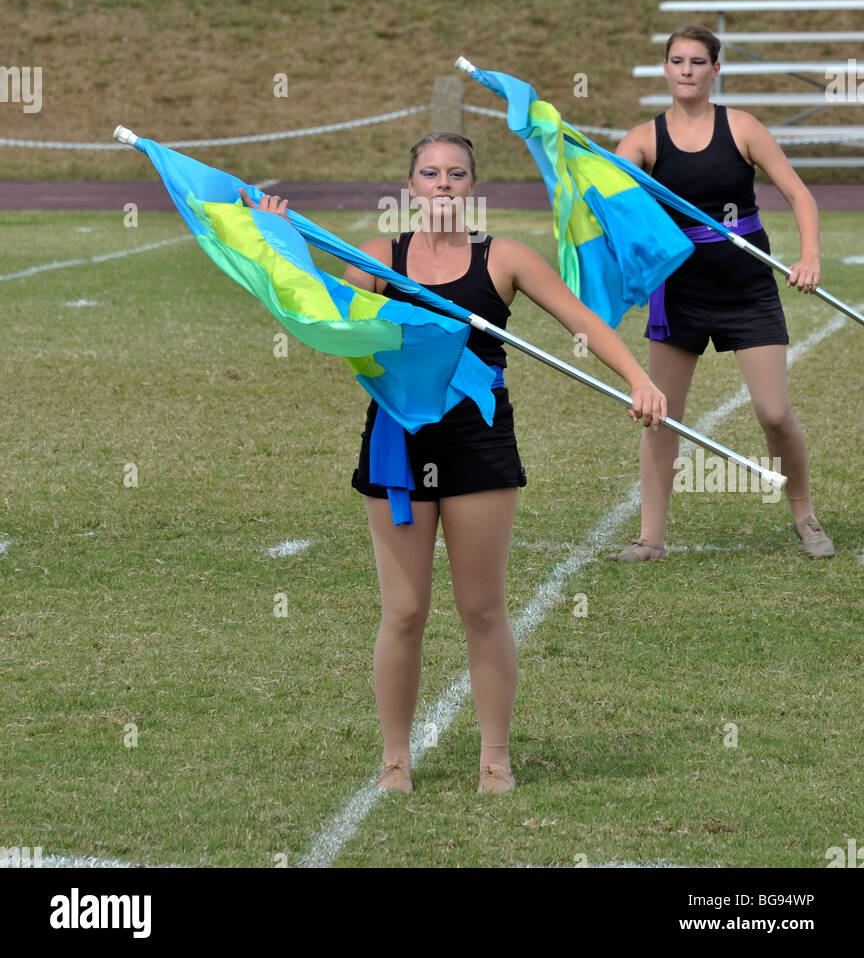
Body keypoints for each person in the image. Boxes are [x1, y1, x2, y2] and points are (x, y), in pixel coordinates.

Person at [241, 132, 667, 794]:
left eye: (457, 174)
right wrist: (277, 240)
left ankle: (494, 758)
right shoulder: (378, 256)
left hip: (478, 440)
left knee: (482, 607)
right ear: (410, 187)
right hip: (398, 443)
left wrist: (639, 378)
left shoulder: (507, 259)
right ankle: (394, 760)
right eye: (431, 173)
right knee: (404, 611)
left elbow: (582, 321)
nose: (443, 184)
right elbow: (321, 312)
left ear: (472, 187)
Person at [610, 25, 834, 563]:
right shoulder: (642, 140)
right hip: (679, 291)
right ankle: (651, 539)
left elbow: (800, 196)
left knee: (774, 412)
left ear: (714, 70)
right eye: (677, 61)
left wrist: (809, 256)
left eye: (697, 61)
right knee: (662, 414)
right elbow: (613, 213)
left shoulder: (742, 128)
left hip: (746, 287)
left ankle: (804, 515)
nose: (686, 70)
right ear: (665, 69)